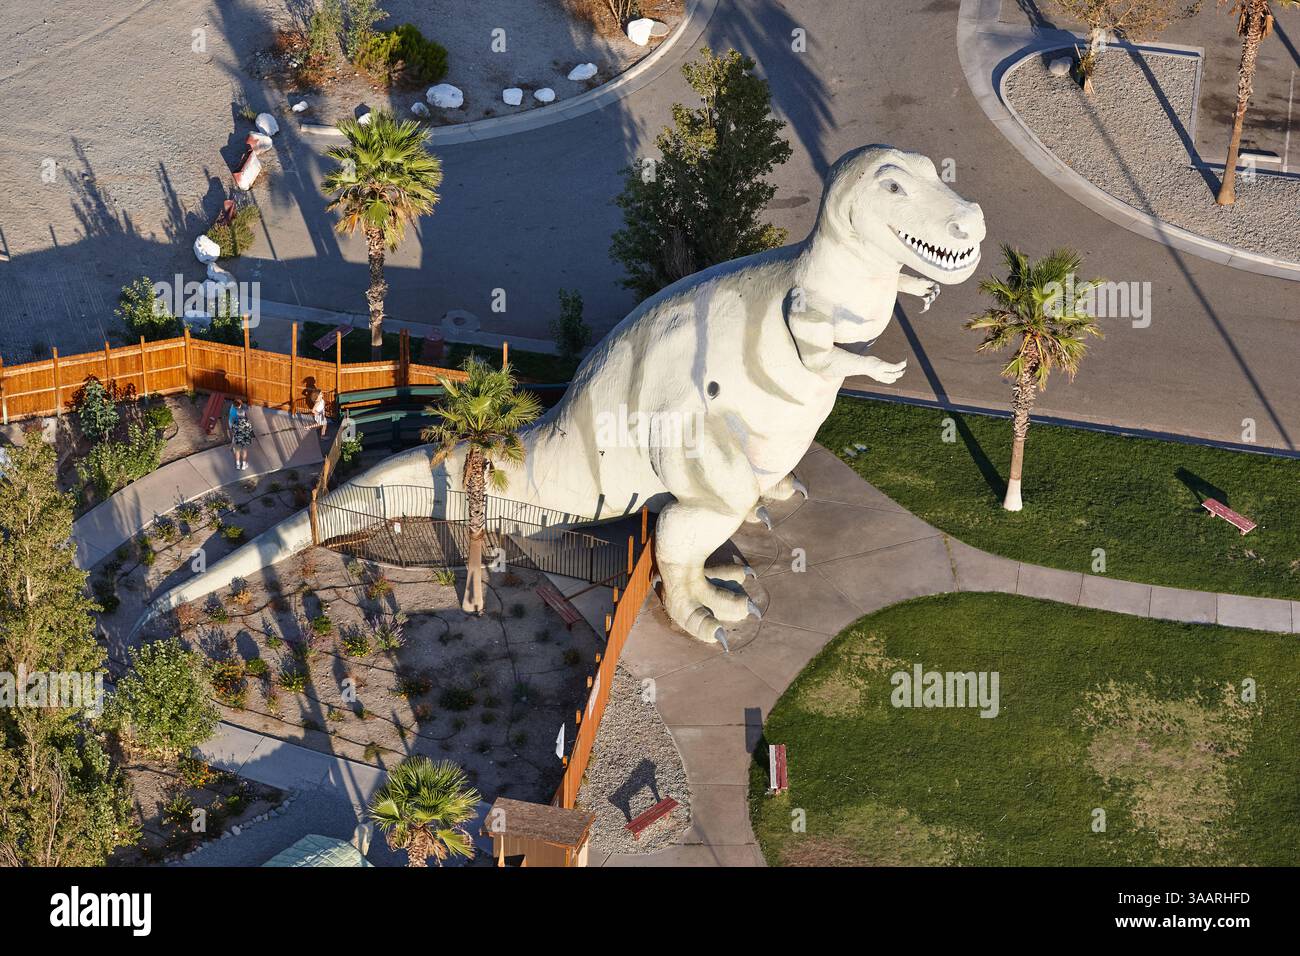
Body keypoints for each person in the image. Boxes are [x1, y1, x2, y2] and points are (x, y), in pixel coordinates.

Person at [231, 403, 254, 470]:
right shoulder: (247, 423)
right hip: (245, 440)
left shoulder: (235, 423)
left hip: (237, 440)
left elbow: (233, 431)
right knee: (244, 452)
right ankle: (244, 465)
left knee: (237, 452)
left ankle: (238, 464)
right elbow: (250, 430)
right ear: (244, 415)